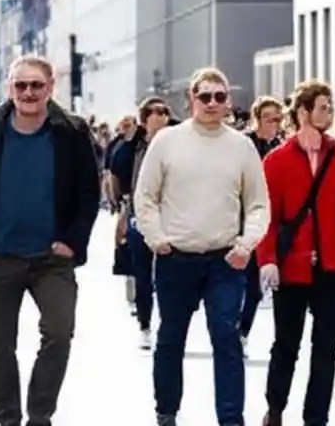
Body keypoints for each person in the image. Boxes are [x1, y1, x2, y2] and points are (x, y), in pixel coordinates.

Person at [0, 55, 100, 426]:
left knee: (59, 334)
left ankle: (40, 416)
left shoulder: (72, 132)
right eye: (20, 85)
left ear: (51, 87)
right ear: (9, 89)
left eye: (36, 85)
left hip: (52, 258)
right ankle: (9, 418)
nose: (28, 93)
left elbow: (87, 192)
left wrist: (73, 242)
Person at [133, 67, 270, 426]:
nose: (212, 103)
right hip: (175, 258)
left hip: (224, 260)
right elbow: (145, 196)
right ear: (191, 98)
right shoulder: (167, 141)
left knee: (226, 339)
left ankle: (230, 419)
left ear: (229, 102)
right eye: (204, 96)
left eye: (219, 96)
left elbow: (258, 204)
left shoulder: (241, 147)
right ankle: (166, 413)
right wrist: (157, 238)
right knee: (170, 339)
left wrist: (246, 244)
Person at [255, 79, 335, 426]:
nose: (329, 112)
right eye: (322, 106)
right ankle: (275, 408)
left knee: (326, 350)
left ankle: (316, 418)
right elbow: (269, 218)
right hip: (291, 268)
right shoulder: (276, 161)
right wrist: (268, 260)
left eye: (330, 105)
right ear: (303, 112)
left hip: (333, 267)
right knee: (286, 346)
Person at [121, 96, 176, 349]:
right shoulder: (134, 147)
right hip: (140, 218)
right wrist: (123, 213)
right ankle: (144, 324)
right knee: (142, 274)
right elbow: (117, 173)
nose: (160, 116)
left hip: (172, 219)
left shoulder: (180, 145)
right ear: (144, 119)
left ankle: (168, 326)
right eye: (154, 112)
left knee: (169, 277)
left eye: (164, 111)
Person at [239, 95, 285, 353]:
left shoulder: (281, 146)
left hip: (271, 224)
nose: (274, 124)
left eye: (278, 119)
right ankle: (234, 330)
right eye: (269, 119)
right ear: (257, 119)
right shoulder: (245, 144)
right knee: (241, 282)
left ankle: (242, 332)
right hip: (243, 223)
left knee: (256, 286)